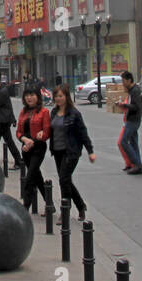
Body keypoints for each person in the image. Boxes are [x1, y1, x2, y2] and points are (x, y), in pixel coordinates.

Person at [49, 84, 95, 221]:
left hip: (71, 152)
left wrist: (90, 151)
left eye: (61, 96)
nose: (58, 98)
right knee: (66, 179)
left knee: (63, 179)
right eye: (56, 96)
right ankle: (81, 205)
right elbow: (50, 130)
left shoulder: (74, 114)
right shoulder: (53, 112)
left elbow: (83, 133)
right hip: (57, 150)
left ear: (66, 97)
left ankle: (65, 210)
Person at [16, 85, 51, 211]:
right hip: (26, 149)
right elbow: (18, 132)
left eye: (32, 95)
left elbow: (46, 132)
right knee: (37, 176)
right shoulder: (23, 112)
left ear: (38, 96)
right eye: (27, 95)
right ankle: (49, 203)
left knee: (30, 176)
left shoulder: (44, 112)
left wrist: (34, 140)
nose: (29, 98)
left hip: (38, 148)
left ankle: (25, 206)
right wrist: (24, 140)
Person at [117, 70, 142, 175]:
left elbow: (136, 106)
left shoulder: (135, 91)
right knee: (133, 143)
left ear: (129, 80)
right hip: (133, 118)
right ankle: (137, 165)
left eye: (123, 81)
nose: (123, 83)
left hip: (133, 119)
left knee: (124, 141)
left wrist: (125, 106)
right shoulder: (132, 90)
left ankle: (137, 164)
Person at [0, 83, 24, 168]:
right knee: (8, 141)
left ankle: (19, 160)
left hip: (3, 120)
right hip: (4, 119)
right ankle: (18, 160)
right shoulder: (2, 90)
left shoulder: (1, 92)